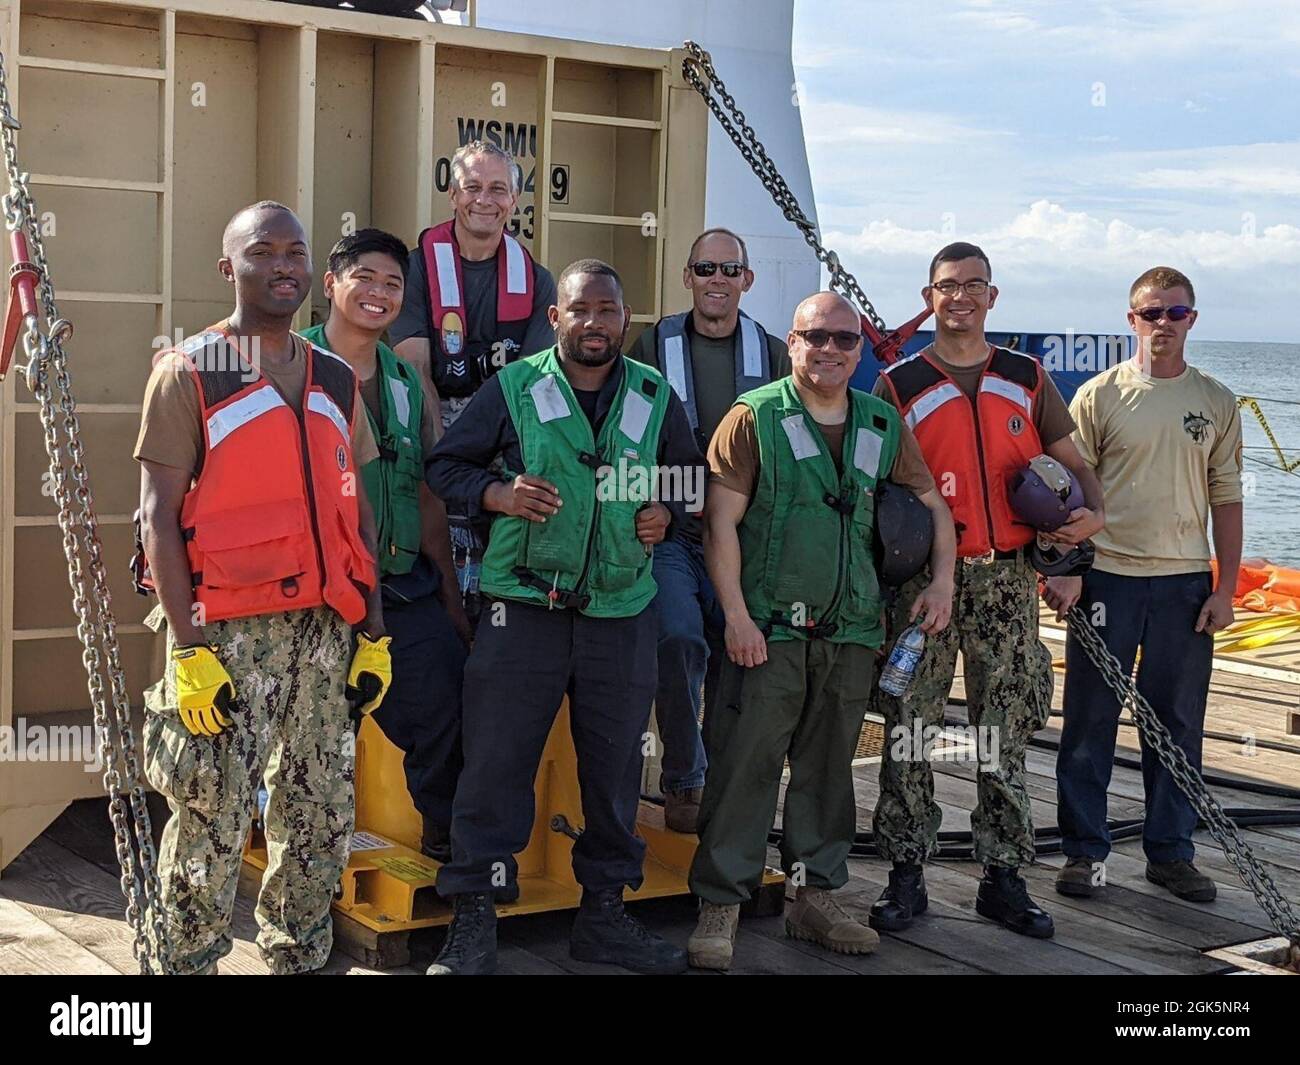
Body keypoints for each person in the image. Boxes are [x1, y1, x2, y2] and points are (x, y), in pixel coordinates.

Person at [424, 259, 705, 976]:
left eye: (608, 310)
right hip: (525, 607)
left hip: (622, 610)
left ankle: (604, 916)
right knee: (494, 764)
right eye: (580, 310)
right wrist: (498, 495)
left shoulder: (652, 394)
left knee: (613, 772)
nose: (594, 323)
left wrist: (665, 512)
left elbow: (690, 476)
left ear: (626, 319)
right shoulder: (516, 388)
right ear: (556, 318)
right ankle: (475, 918)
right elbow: (446, 467)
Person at [133, 201, 391, 974]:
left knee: (318, 815)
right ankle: (181, 966)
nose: (283, 266)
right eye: (263, 252)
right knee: (210, 812)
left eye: (295, 252)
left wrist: (372, 632)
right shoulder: (188, 371)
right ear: (229, 268)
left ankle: (297, 958)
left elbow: (361, 514)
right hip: (226, 633)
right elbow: (155, 516)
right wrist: (188, 651)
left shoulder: (335, 376)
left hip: (325, 629)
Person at [685, 291, 956, 971]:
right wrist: (738, 617)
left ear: (860, 350)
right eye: (816, 337)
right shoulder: (755, 419)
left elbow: (932, 506)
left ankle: (812, 895)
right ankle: (722, 901)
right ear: (792, 341)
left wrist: (944, 581)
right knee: (745, 764)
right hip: (768, 628)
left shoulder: (879, 421)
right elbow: (719, 524)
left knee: (829, 770)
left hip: (853, 629)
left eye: (845, 339)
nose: (830, 350)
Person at [869, 242, 1105, 940]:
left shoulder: (1026, 377)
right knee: (910, 726)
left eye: (974, 285)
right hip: (925, 582)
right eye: (947, 286)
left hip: (1007, 576)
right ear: (929, 296)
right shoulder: (900, 383)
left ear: (992, 297)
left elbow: (1072, 463)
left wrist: (1090, 523)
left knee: (1002, 730)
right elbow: (873, 484)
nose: (961, 297)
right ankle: (906, 872)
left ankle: (1003, 876)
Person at [1046, 266, 1242, 903]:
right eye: (1151, 313)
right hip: (1108, 580)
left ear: (1193, 319)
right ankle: (1084, 852)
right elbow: (1070, 492)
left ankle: (1171, 852)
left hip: (1184, 583)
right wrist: (1069, 574)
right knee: (1088, 722)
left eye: (1175, 313)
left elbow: (1227, 500)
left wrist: (1226, 588)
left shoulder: (1215, 401)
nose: (1164, 324)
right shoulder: (1099, 398)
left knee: (1178, 723)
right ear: (1131, 320)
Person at [299, 228, 471, 863]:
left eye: (393, 284)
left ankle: (445, 839)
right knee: (306, 729)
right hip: (313, 596)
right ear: (332, 286)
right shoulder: (293, 367)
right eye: (364, 278)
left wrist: (451, 598)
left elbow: (429, 498)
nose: (378, 293)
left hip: (399, 587)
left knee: (449, 694)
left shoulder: (406, 382)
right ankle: (300, 857)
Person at [626, 227, 790, 833]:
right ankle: (684, 781)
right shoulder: (651, 345)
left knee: (739, 653)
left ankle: (723, 781)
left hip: (742, 538)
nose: (716, 280)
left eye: (729, 270)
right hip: (673, 534)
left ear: (746, 279)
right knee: (676, 639)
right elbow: (629, 436)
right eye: (705, 269)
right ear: (687, 276)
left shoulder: (772, 353)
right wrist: (654, 504)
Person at [391, 140, 559, 619]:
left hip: (501, 434)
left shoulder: (537, 280)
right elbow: (414, 367)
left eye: (497, 189)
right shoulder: (417, 266)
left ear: (514, 200)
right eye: (472, 187)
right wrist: (447, 457)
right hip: (431, 424)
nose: (484, 199)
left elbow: (531, 383)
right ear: (452, 193)